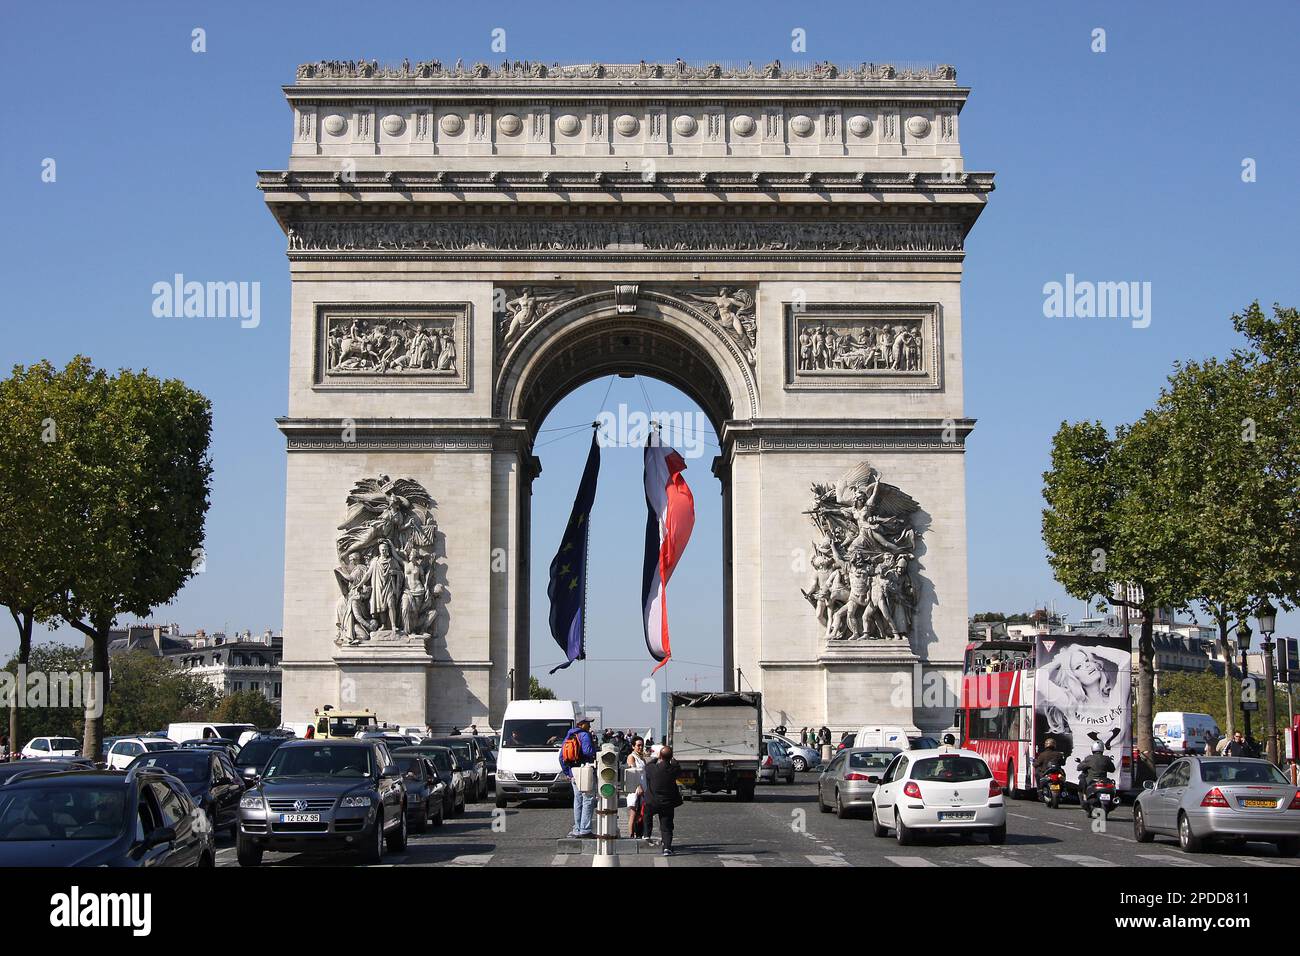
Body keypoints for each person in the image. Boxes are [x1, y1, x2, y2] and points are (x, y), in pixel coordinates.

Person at [644, 744, 684, 856]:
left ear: (660, 756)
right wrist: (672, 760)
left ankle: (646, 834)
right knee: (666, 826)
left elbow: (647, 765)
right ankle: (667, 848)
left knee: (647, 815)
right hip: (667, 802)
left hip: (652, 801)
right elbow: (678, 768)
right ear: (671, 757)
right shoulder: (673, 770)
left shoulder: (653, 768)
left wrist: (657, 757)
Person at [560, 716, 597, 838]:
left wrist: (568, 773)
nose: (590, 726)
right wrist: (594, 751)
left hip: (573, 772)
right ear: (581, 724)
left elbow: (561, 757)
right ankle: (585, 829)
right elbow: (588, 752)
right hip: (584, 770)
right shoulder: (584, 735)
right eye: (588, 723)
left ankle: (577, 828)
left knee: (578, 800)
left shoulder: (568, 736)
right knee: (588, 799)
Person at [626, 736, 651, 840]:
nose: (640, 747)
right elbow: (633, 773)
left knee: (641, 814)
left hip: (643, 789)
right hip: (635, 789)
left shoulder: (642, 759)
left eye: (642, 745)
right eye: (638, 745)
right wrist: (638, 786)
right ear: (633, 746)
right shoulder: (631, 757)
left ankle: (639, 834)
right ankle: (631, 836)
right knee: (633, 813)